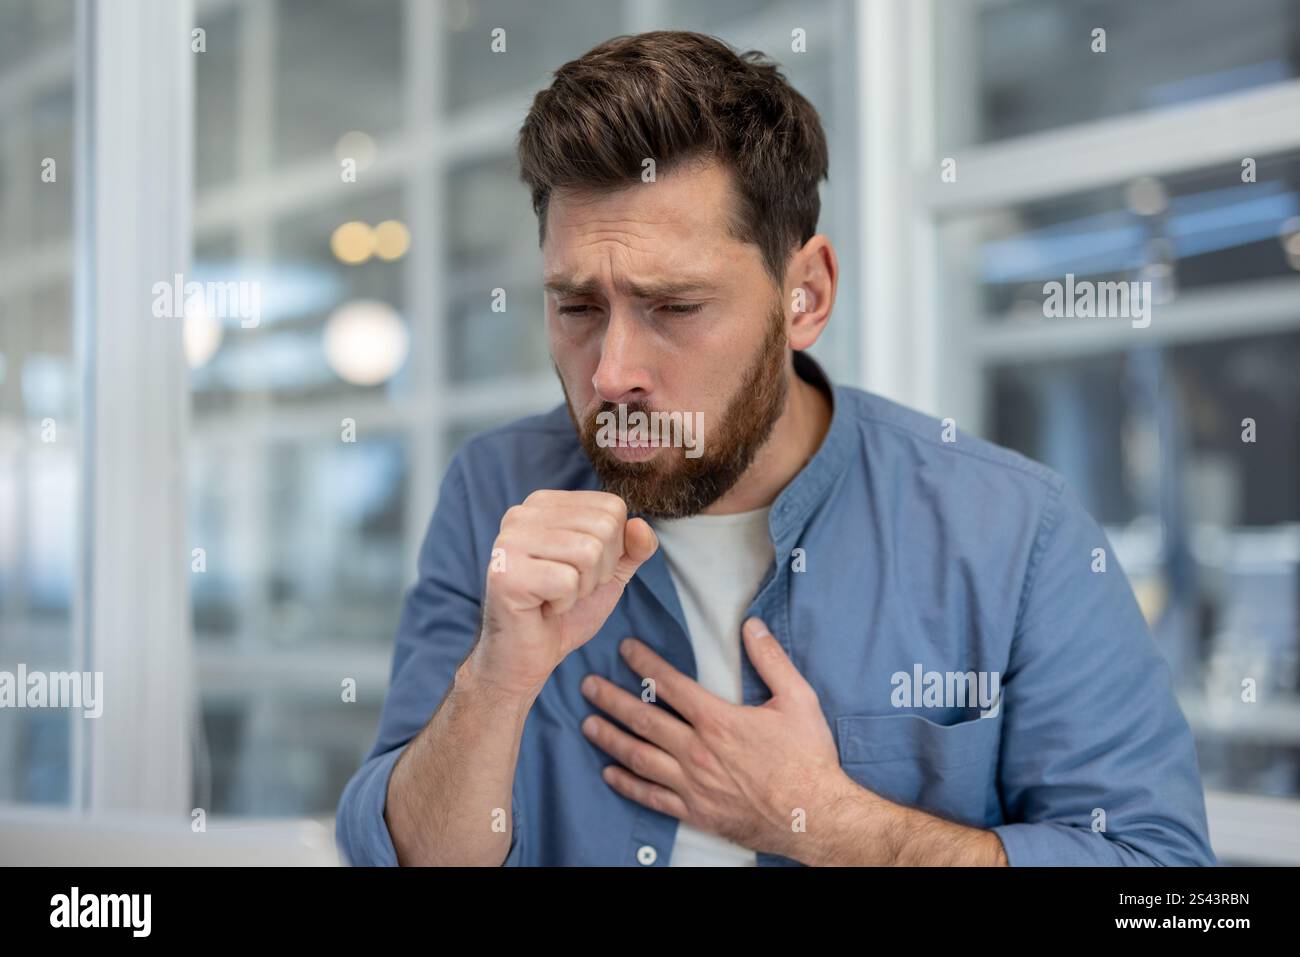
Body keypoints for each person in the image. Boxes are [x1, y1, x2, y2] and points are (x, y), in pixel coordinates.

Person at [336, 31, 1215, 867]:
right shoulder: (495, 490)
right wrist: (495, 682)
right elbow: (403, 852)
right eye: (576, 308)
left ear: (806, 294)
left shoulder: (1015, 533)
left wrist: (833, 824)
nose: (612, 373)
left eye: (676, 308)